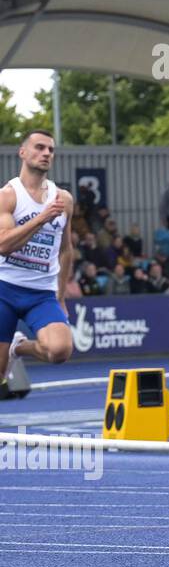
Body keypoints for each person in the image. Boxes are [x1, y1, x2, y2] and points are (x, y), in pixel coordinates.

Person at [0, 130, 76, 390]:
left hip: (41, 293)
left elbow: (66, 250)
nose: (46, 153)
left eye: (50, 150)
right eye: (39, 147)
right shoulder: (8, 196)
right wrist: (42, 218)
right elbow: (4, 245)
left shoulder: (63, 199)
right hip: (4, 289)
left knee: (60, 350)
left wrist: (61, 296)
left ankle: (19, 347)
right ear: (23, 152)